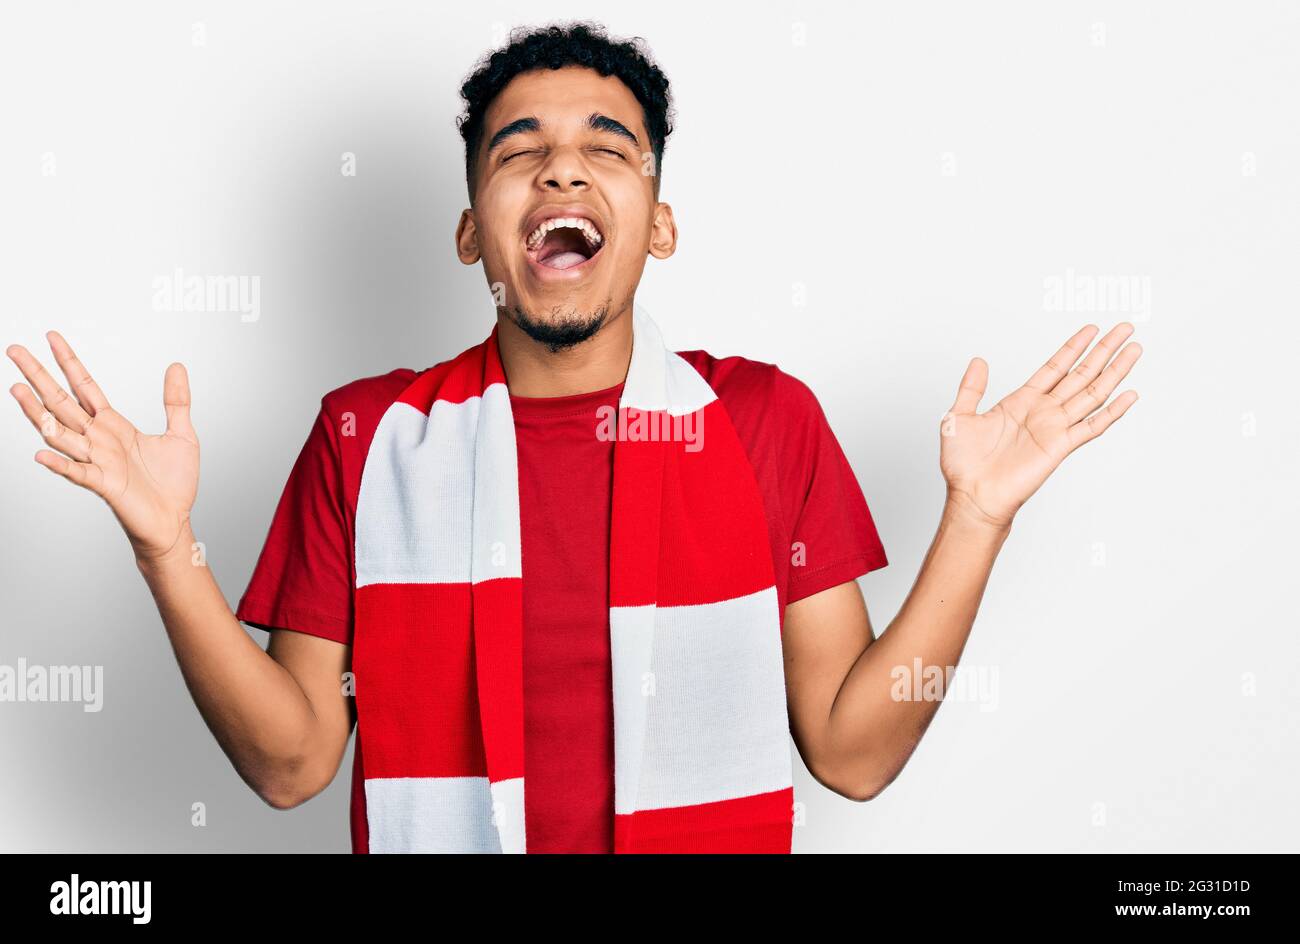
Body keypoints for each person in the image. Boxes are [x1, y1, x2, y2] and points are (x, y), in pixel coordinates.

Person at [5, 22, 1140, 853]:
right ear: (469, 233)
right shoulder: (366, 436)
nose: (560, 165)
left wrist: (978, 517)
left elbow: (851, 751)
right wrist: (165, 544)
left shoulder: (762, 421)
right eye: (517, 151)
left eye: (609, 146)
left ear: (660, 222)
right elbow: (293, 763)